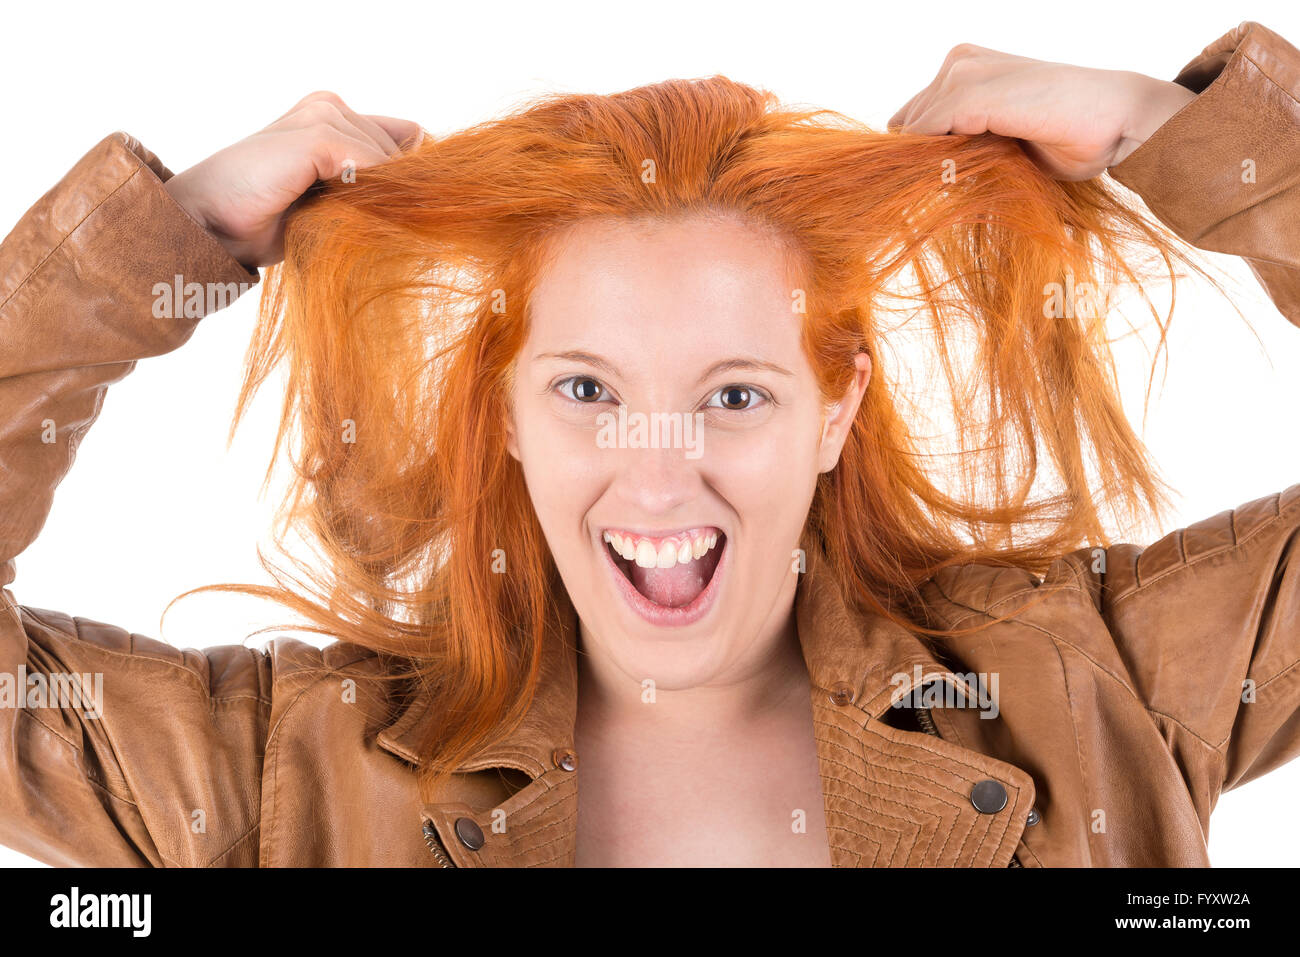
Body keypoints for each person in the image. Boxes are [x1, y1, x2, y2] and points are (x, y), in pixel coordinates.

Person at [1, 20, 1297, 868]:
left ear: (836, 407)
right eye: (587, 391)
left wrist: (1162, 125)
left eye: (735, 395)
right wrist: (169, 232)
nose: (660, 469)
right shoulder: (298, 773)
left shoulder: (1099, 690)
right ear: (505, 411)